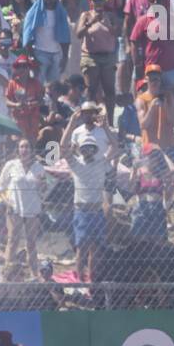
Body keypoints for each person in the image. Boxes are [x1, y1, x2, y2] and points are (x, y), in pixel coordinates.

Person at [61, 112, 109, 284]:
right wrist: (72, 121)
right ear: (81, 149)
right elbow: (62, 147)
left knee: (95, 250)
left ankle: (92, 281)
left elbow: (115, 146)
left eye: (91, 147)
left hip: (97, 211)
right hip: (82, 211)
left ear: (95, 149)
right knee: (81, 249)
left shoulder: (101, 163)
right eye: (85, 147)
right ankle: (81, 281)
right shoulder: (76, 163)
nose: (87, 150)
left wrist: (106, 128)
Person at [0, 137, 45, 276]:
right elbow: (0, 188)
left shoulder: (39, 167)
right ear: (18, 149)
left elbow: (44, 191)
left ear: (32, 150)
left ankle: (34, 273)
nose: (24, 149)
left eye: (27, 146)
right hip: (14, 209)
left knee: (31, 243)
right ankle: (7, 273)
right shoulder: (11, 165)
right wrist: (7, 202)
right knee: (12, 241)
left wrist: (42, 184)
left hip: (32, 209)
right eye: (22, 147)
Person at [75, 0, 118, 121]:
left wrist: (108, 25)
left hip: (108, 57)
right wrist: (90, 23)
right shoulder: (86, 15)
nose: (98, 2)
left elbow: (118, 32)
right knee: (91, 90)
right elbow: (78, 34)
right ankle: (89, 119)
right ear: (91, 1)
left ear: (104, 0)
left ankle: (110, 121)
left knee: (109, 91)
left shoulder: (110, 16)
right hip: (90, 57)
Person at [21, 0, 69, 84]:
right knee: (38, 85)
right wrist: (32, 57)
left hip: (57, 54)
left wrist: (64, 57)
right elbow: (27, 36)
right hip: (40, 54)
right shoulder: (33, 12)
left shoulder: (61, 12)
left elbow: (65, 36)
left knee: (54, 86)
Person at [135, 65, 174, 161]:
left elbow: (173, 121)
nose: (155, 82)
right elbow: (143, 125)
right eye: (152, 79)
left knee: (171, 174)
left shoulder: (168, 96)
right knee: (152, 176)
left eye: (157, 79)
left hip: (168, 145)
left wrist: (165, 106)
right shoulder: (141, 100)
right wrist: (151, 108)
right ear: (146, 80)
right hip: (150, 147)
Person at [5, 55, 44, 144]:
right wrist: (16, 105)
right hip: (18, 120)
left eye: (25, 66)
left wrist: (33, 104)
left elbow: (41, 100)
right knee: (17, 144)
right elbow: (6, 101)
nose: (22, 69)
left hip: (32, 120)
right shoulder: (12, 83)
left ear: (29, 68)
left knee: (32, 144)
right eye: (19, 66)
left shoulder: (36, 83)